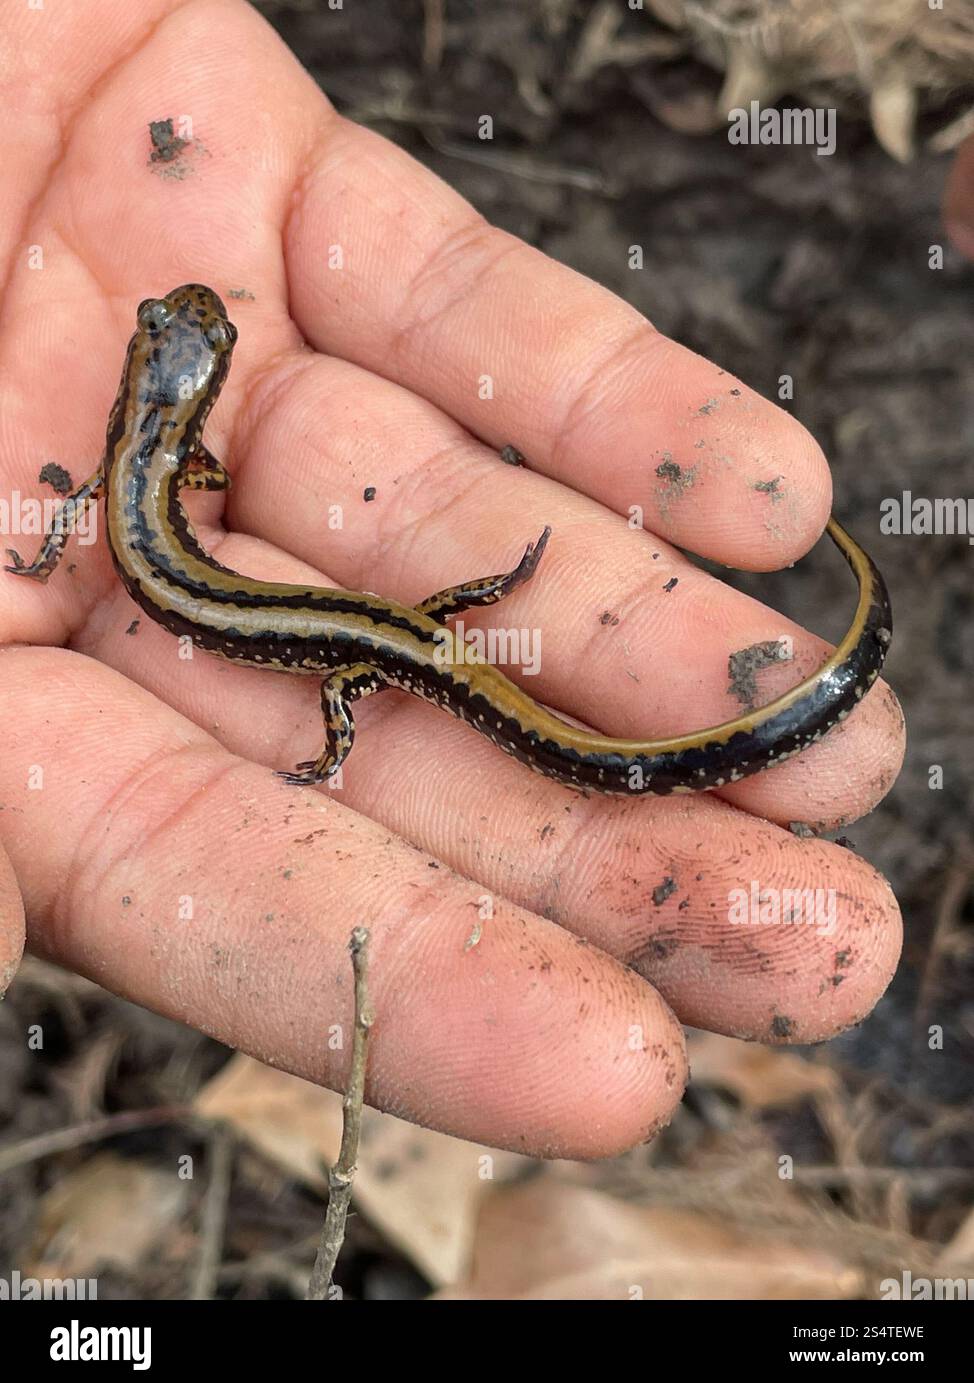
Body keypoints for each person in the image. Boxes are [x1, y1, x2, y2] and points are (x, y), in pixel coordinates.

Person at [1, 0, 925, 1159]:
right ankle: (377, 709)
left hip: (367, 638)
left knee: (391, 654)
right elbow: (211, 475)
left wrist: (66, 536)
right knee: (380, 651)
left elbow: (136, 494)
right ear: (169, 380)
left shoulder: (123, 456)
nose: (181, 330)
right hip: (370, 638)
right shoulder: (173, 456)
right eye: (177, 337)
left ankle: (426, 687)